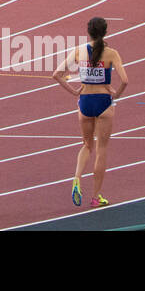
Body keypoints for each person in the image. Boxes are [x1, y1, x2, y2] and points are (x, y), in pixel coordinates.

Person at [53, 16, 128, 207]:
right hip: (104, 102)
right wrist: (116, 95)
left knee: (86, 145)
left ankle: (77, 178)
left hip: (85, 102)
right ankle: (96, 197)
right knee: (101, 150)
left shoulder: (78, 51)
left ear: (88, 32)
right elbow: (125, 81)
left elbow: (56, 74)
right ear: (105, 32)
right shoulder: (112, 53)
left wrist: (74, 91)